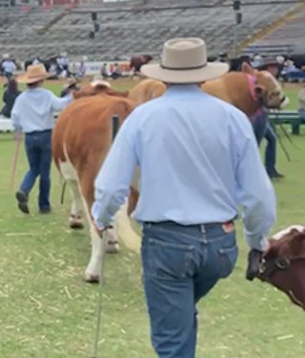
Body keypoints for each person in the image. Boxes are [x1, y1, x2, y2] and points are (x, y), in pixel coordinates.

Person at [93, 38, 276, 358]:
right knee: (181, 317)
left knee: (171, 339)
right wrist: (258, 239)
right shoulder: (233, 118)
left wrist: (102, 216)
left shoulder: (143, 116)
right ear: (205, 75)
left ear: (162, 76)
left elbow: (111, 186)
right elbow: (257, 193)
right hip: (221, 242)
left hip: (167, 242)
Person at [10, 64, 72, 214]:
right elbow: (60, 105)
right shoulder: (47, 95)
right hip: (46, 135)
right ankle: (43, 205)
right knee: (45, 172)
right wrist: (72, 95)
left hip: (29, 136)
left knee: (33, 168)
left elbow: (15, 118)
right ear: (41, 81)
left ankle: (24, 189)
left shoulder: (21, 98)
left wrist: (19, 128)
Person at [252, 108, 283, 179]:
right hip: (258, 116)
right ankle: (255, 171)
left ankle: (270, 169)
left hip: (262, 115)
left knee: (272, 139)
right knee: (255, 145)